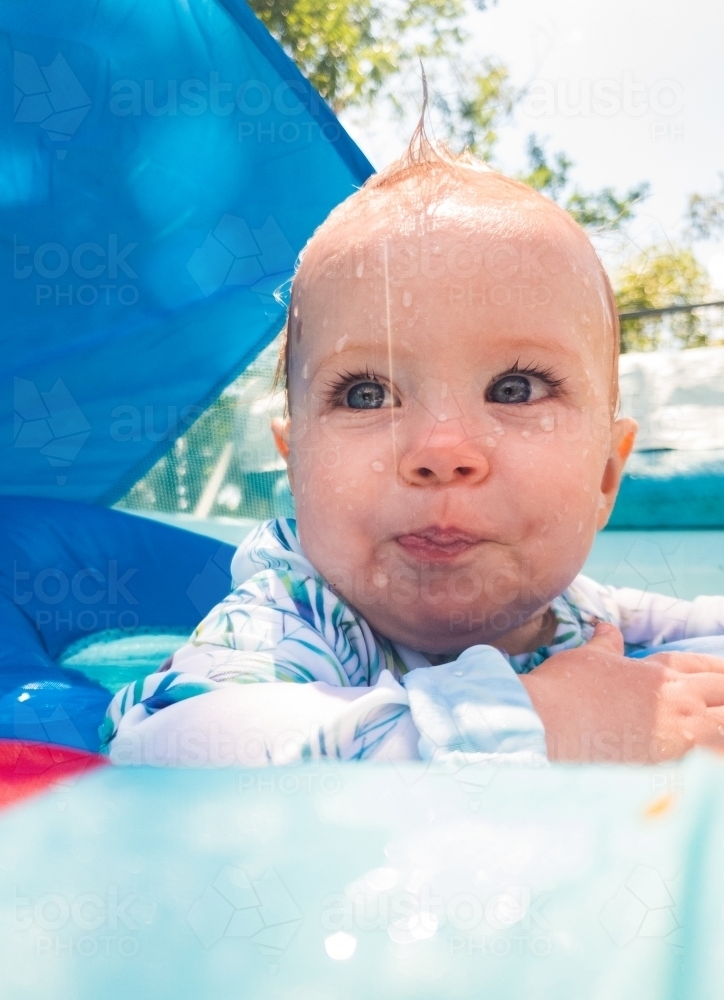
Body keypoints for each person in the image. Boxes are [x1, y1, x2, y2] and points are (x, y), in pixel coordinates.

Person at [103, 126, 724, 768]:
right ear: (297, 471)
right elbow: (168, 747)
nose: (440, 448)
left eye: (514, 388)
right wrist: (538, 724)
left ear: (605, 477)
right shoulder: (298, 613)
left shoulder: (578, 609)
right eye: (367, 394)